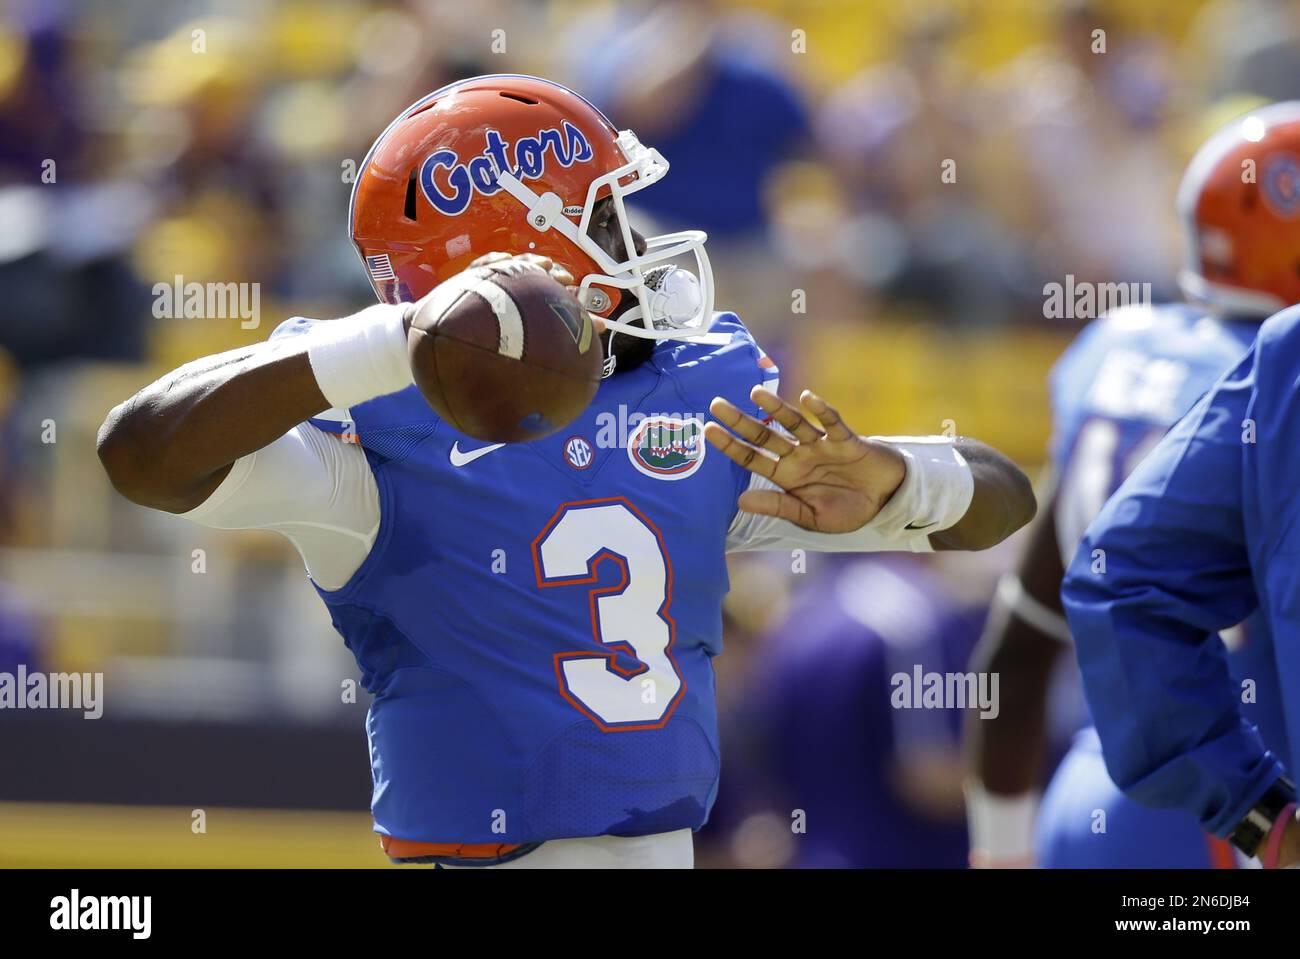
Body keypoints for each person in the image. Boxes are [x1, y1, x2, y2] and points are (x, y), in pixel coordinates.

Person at [96, 75, 1034, 869]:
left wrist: (893, 481)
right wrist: (402, 344)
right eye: (605, 218)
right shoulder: (378, 455)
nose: (635, 243)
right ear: (519, 256)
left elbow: (999, 500)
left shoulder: (687, 405)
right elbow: (139, 453)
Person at [965, 102, 1300, 868]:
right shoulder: (1274, 385)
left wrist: (999, 849)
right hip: (1236, 813)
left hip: (1089, 794)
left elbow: (1024, 638)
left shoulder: (1113, 351)